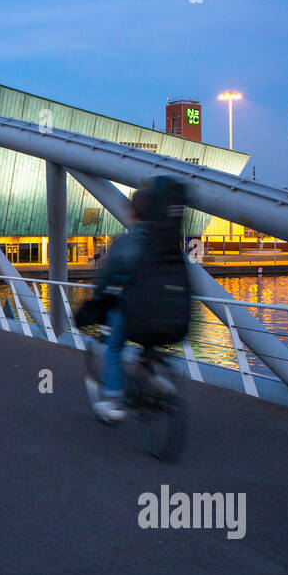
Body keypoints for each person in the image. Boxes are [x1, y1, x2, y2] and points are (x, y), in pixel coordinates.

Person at [91, 176, 192, 423]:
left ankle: (114, 402)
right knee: (149, 338)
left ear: (133, 213)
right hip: (166, 309)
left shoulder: (126, 242)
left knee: (114, 348)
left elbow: (105, 277)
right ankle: (155, 375)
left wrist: (97, 296)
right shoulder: (167, 242)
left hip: (132, 309)